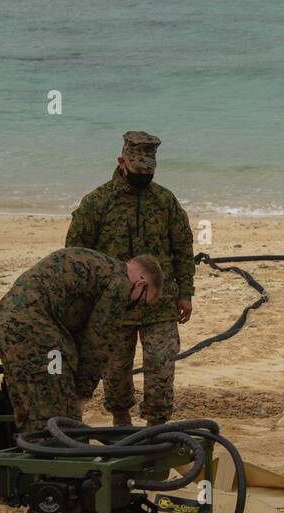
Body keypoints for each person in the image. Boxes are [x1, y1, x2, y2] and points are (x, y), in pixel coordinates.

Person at [66, 130, 194, 427]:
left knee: (161, 365)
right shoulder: (97, 202)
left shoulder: (165, 201)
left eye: (150, 169)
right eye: (139, 169)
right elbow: (76, 254)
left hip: (160, 303)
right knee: (115, 369)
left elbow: (183, 248)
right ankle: (120, 421)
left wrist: (185, 292)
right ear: (121, 161)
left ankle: (156, 427)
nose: (144, 174)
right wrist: (83, 304)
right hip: (114, 305)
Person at [0, 248, 162, 431]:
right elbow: (97, 344)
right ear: (141, 283)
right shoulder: (120, 284)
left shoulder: (100, 264)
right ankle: (55, 454)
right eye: (139, 301)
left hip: (5, 323)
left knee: (29, 408)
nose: (133, 305)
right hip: (37, 334)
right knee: (58, 412)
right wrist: (82, 393)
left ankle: (34, 452)